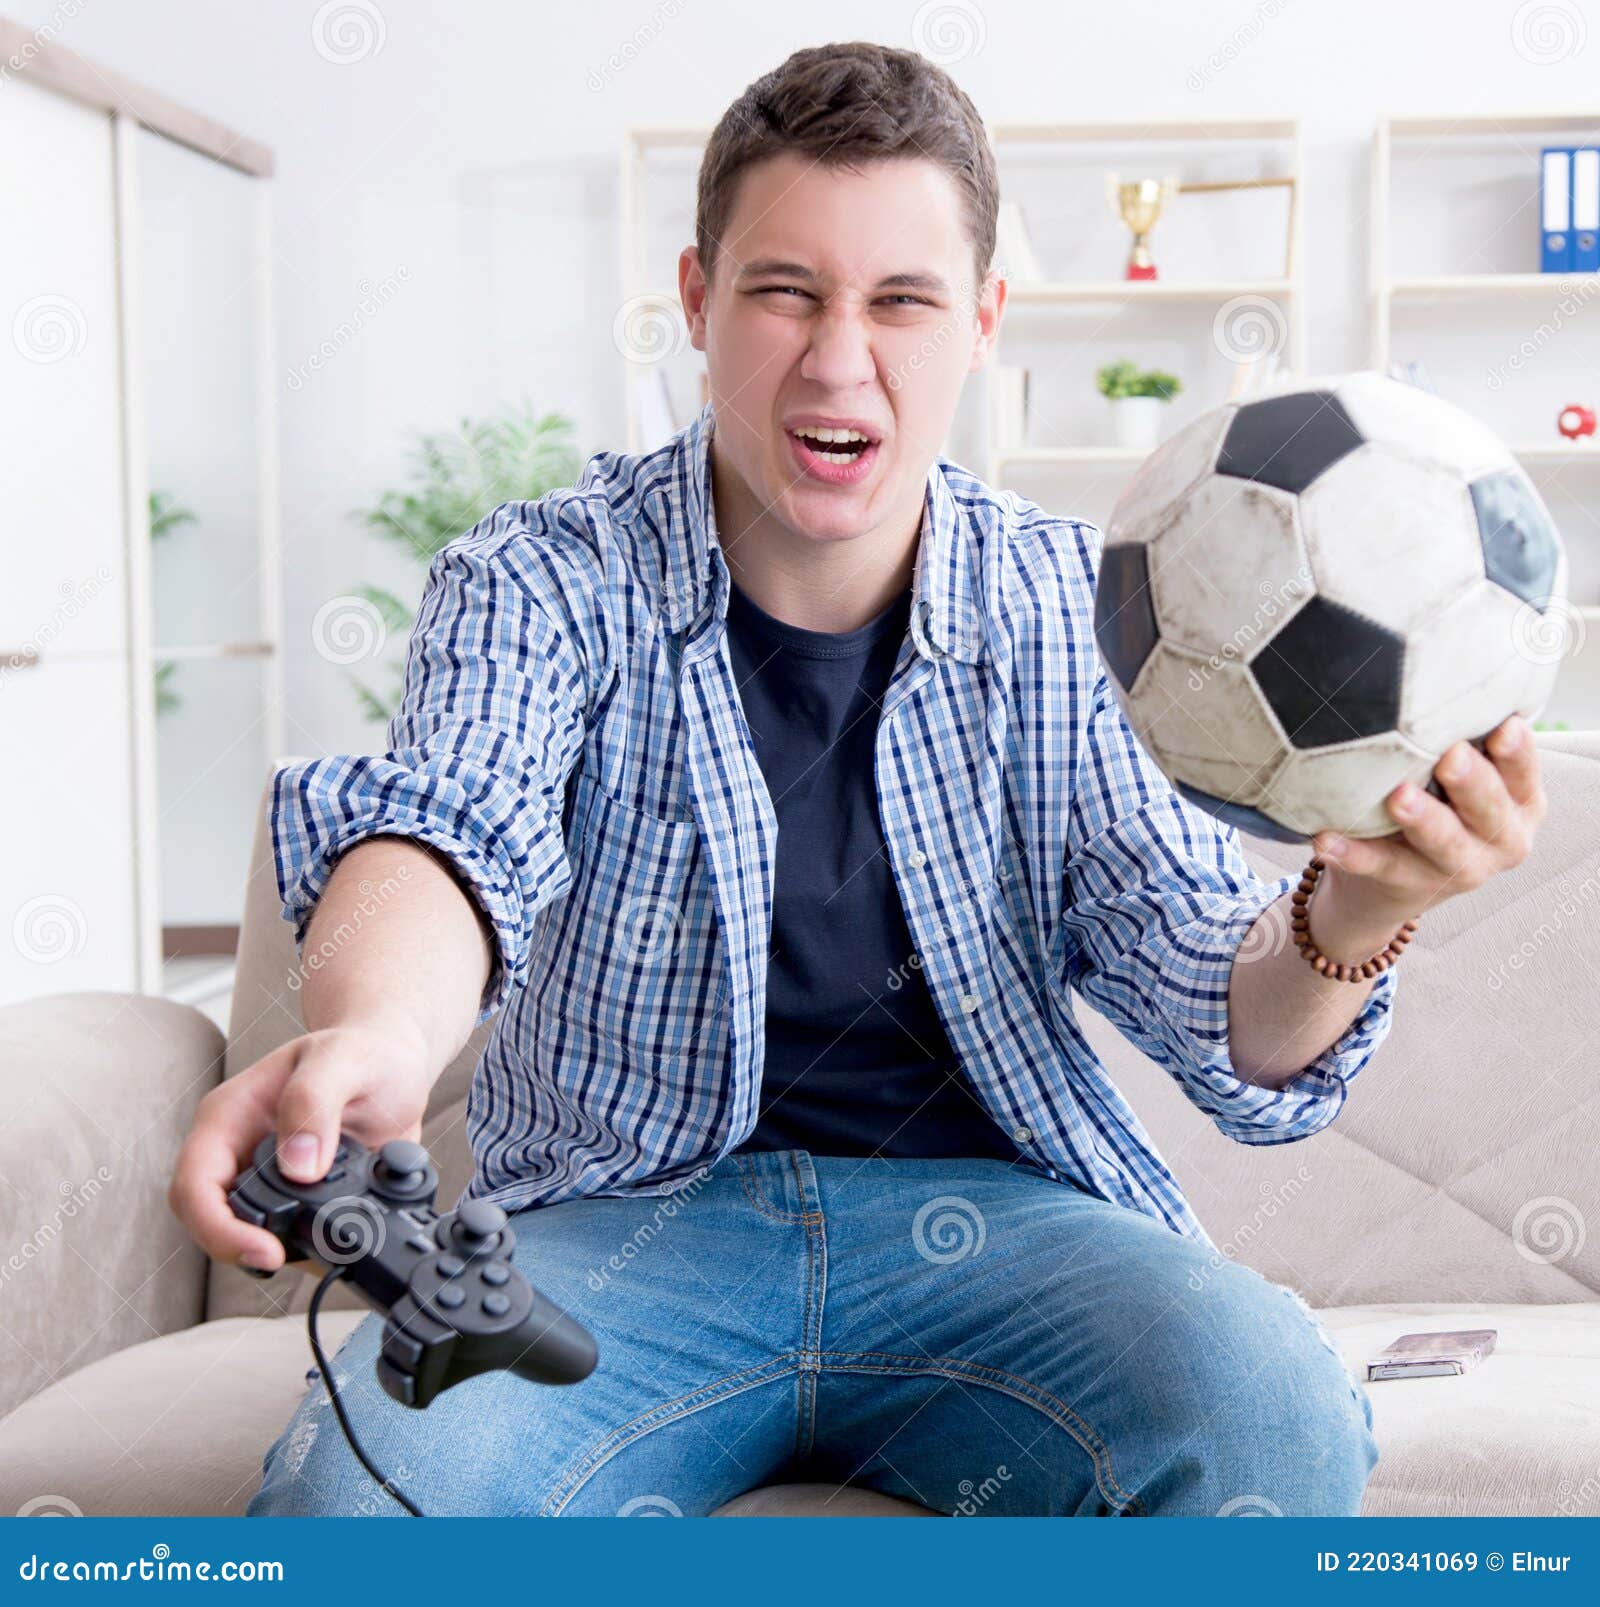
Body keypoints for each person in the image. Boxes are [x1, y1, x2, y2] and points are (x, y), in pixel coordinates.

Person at [170, 41, 1546, 1518]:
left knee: (1269, 1419)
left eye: (902, 300)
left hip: (1007, 1233)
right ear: (697, 306)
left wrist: (1356, 907)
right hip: (625, 1236)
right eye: (785, 292)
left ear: (983, 323)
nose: (840, 359)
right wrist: (376, 1031)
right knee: (359, 1495)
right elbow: (448, 832)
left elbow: (1233, 1021)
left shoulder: (1080, 610)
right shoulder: (543, 580)